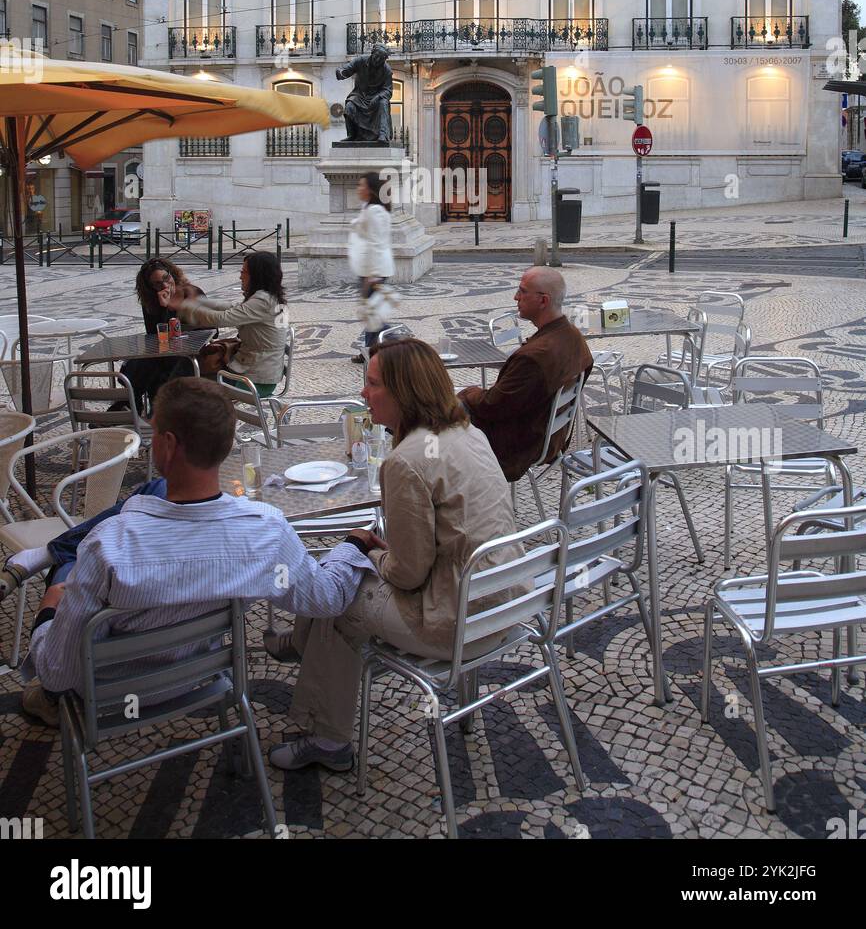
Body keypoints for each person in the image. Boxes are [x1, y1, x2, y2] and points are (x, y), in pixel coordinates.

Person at [18, 378, 376, 725]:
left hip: (109, 692)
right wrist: (352, 545)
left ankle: (45, 693)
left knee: (61, 580)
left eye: (154, 432)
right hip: (201, 677)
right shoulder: (265, 530)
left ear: (168, 445)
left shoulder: (107, 545)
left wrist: (48, 614)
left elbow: (58, 674)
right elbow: (325, 599)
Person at [265, 338, 525, 773]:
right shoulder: (468, 433)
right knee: (351, 559)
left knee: (341, 587)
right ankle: (301, 643)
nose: (363, 394)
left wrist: (374, 555)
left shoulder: (405, 461)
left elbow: (407, 574)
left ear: (404, 392)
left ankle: (327, 737)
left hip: (459, 620)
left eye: (372, 384)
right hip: (506, 600)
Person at [458, 267, 593, 483]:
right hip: (551, 436)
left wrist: (467, 393)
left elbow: (491, 406)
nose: (515, 297)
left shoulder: (535, 357)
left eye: (522, 291)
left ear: (543, 301)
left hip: (519, 446)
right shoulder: (572, 336)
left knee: (434, 417)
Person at [166, 251, 288, 397]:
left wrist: (183, 306)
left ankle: (164, 416)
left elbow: (222, 318)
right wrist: (197, 301)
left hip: (253, 380)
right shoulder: (270, 298)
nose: (240, 276)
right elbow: (231, 307)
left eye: (244, 272)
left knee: (187, 380)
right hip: (260, 373)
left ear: (256, 275)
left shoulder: (263, 301)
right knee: (188, 369)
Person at [113, 259, 205, 413]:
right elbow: (154, 334)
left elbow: (210, 329)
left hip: (191, 352)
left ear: (172, 274)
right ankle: (134, 406)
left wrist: (170, 307)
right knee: (145, 362)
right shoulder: (151, 300)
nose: (164, 285)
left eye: (165, 278)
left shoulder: (192, 293)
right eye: (157, 283)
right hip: (165, 353)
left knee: (152, 367)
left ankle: (132, 407)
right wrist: (164, 308)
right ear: (149, 286)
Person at [348, 171, 397, 360]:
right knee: (371, 313)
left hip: (374, 269)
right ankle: (369, 351)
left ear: (370, 190)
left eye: (361, 185)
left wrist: (372, 275)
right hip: (372, 268)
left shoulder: (374, 211)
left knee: (373, 316)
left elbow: (377, 243)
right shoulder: (371, 208)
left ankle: (398, 341)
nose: (358, 188)